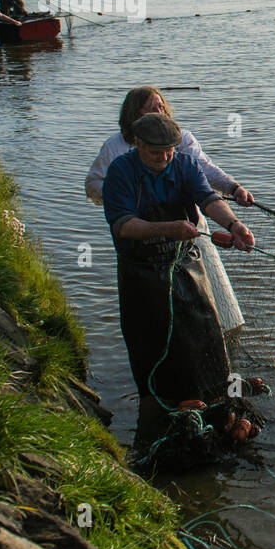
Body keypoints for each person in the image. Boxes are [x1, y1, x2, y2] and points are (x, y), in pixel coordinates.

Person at [102, 112, 258, 443]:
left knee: (205, 333)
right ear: (138, 144)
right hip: (141, 271)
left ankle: (217, 405)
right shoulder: (120, 172)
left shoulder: (184, 164)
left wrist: (233, 225)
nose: (165, 157)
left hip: (187, 265)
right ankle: (164, 414)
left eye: (170, 150)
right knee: (155, 341)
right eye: (157, 152)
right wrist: (169, 228)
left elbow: (209, 198)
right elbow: (124, 224)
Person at [86, 85, 252, 333]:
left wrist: (233, 218)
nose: (164, 158)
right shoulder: (117, 158)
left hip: (188, 232)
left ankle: (222, 333)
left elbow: (207, 191)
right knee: (153, 325)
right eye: (152, 107)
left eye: (161, 105)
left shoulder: (184, 148)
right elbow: (100, 195)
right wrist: (120, 196)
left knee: (203, 307)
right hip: (141, 249)